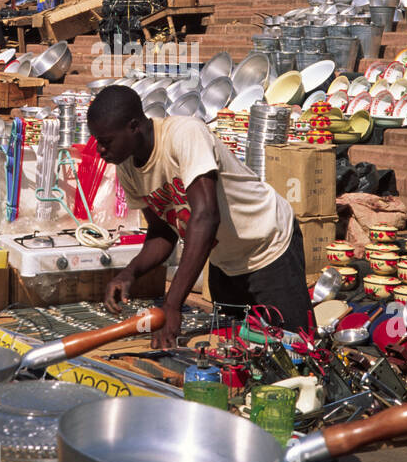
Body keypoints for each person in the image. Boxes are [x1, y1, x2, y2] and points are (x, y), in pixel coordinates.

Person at [86, 85, 313, 350]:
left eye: (106, 141)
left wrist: (172, 304)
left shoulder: (185, 134)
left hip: (267, 246)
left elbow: (206, 217)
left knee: (298, 350)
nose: (100, 149)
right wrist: (129, 273)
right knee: (235, 352)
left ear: (134, 126)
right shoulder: (128, 167)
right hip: (225, 262)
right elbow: (163, 232)